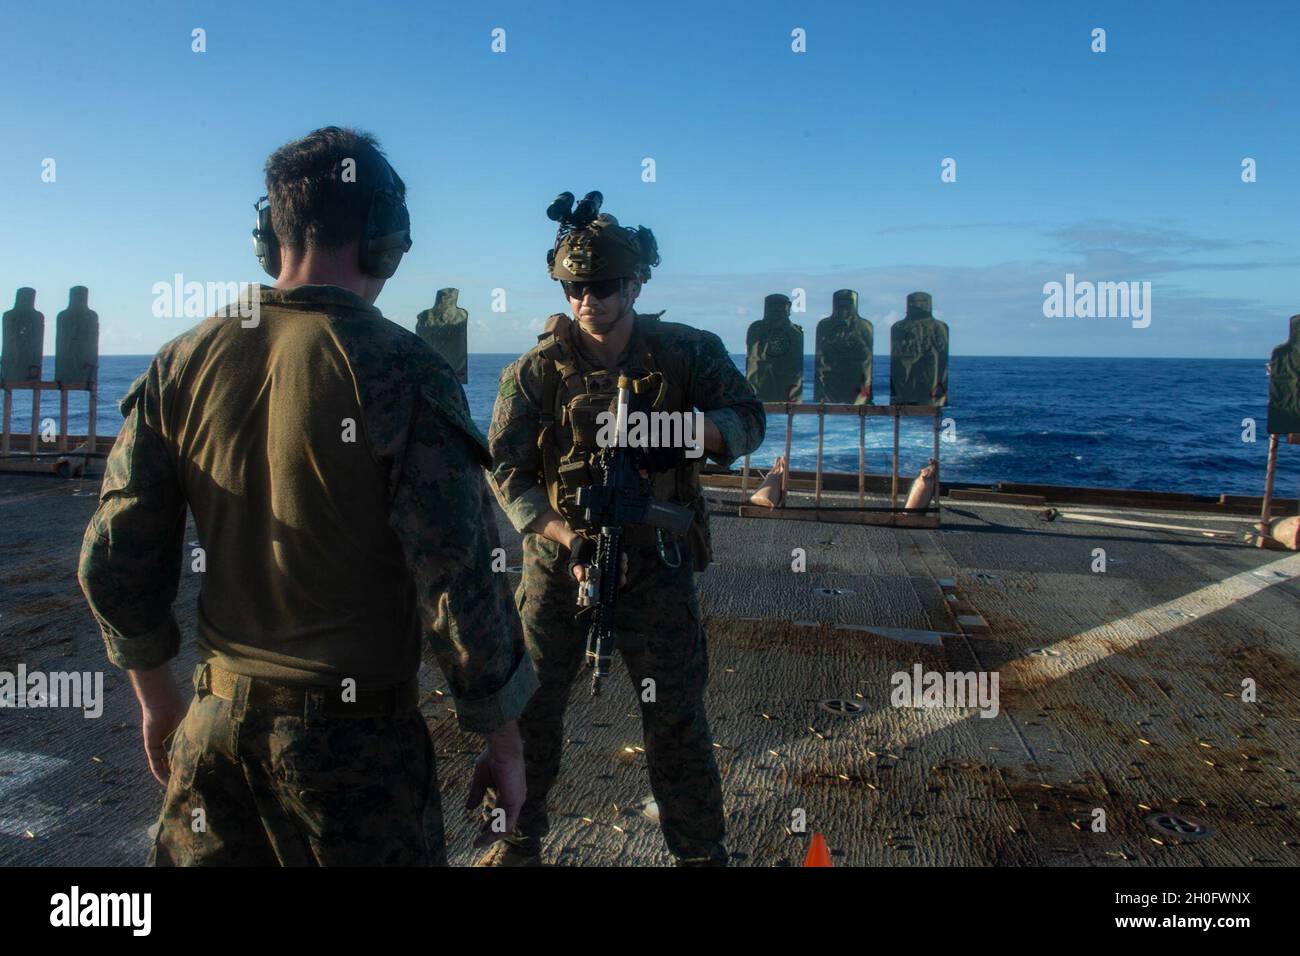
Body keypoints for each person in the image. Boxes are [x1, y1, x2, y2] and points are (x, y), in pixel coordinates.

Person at [78, 126, 537, 866]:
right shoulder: (403, 369)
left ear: (271, 235)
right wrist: (503, 742)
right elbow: (458, 583)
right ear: (385, 239)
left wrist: (160, 701)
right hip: (355, 757)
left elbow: (113, 560)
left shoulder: (182, 360)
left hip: (213, 728)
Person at [482, 191, 765, 866]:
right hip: (561, 566)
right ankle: (515, 845)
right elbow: (505, 468)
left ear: (636, 283)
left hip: (657, 562)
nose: (589, 300)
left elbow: (748, 418)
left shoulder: (686, 352)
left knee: (675, 722)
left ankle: (701, 853)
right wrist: (560, 535)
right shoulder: (534, 371)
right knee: (532, 715)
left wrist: (687, 430)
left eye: (604, 286)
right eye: (575, 286)